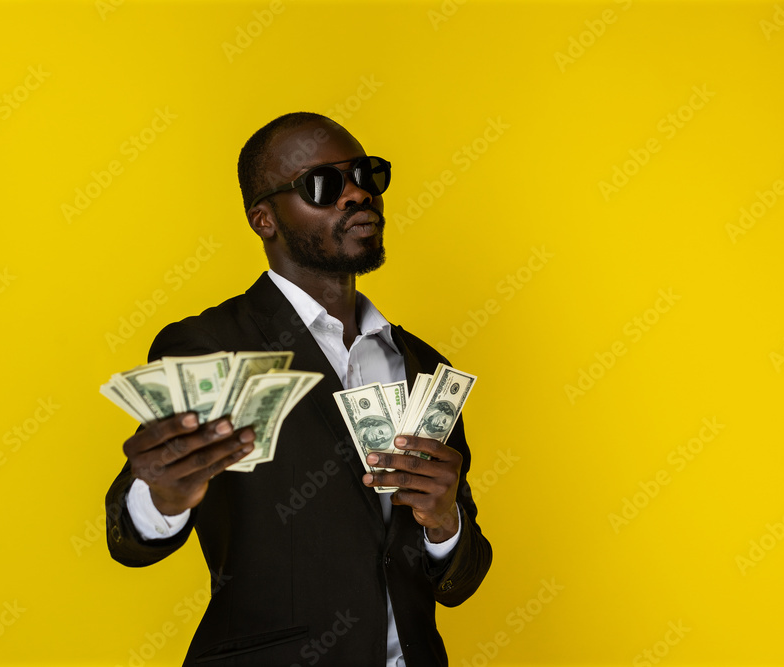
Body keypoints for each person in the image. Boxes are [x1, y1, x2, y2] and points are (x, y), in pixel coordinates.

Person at [104, 111, 493, 666]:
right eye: (323, 184)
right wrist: (161, 498)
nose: (357, 193)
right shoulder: (210, 345)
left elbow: (459, 582)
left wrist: (446, 523)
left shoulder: (422, 365)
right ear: (264, 219)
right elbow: (130, 542)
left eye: (367, 174)